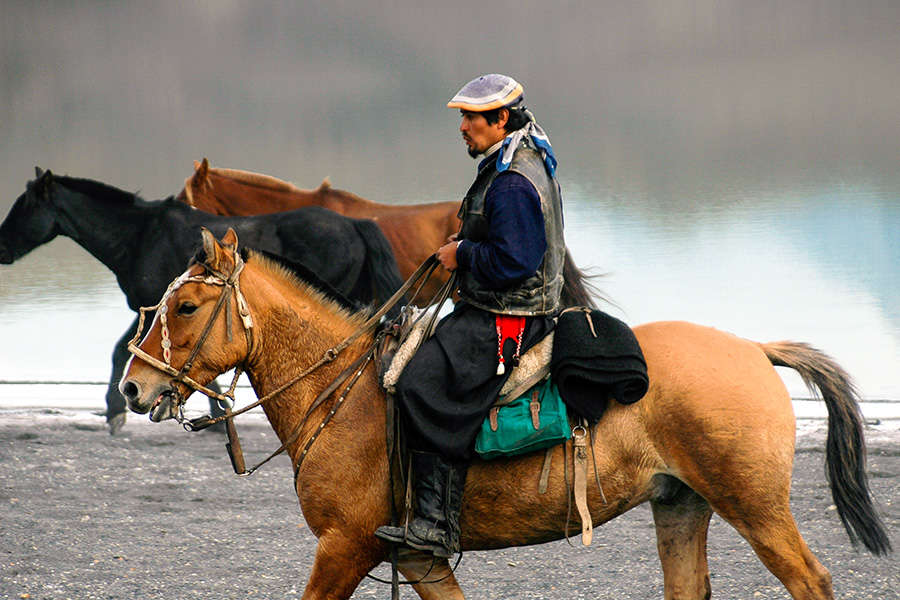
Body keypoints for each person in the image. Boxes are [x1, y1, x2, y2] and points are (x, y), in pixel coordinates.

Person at [375, 74, 566, 558]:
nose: (462, 126)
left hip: (510, 317)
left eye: (471, 118)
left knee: (419, 383)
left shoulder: (512, 182)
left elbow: (515, 262)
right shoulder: (515, 158)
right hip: (496, 307)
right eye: (461, 117)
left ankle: (436, 523)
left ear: (500, 119)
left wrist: (462, 255)